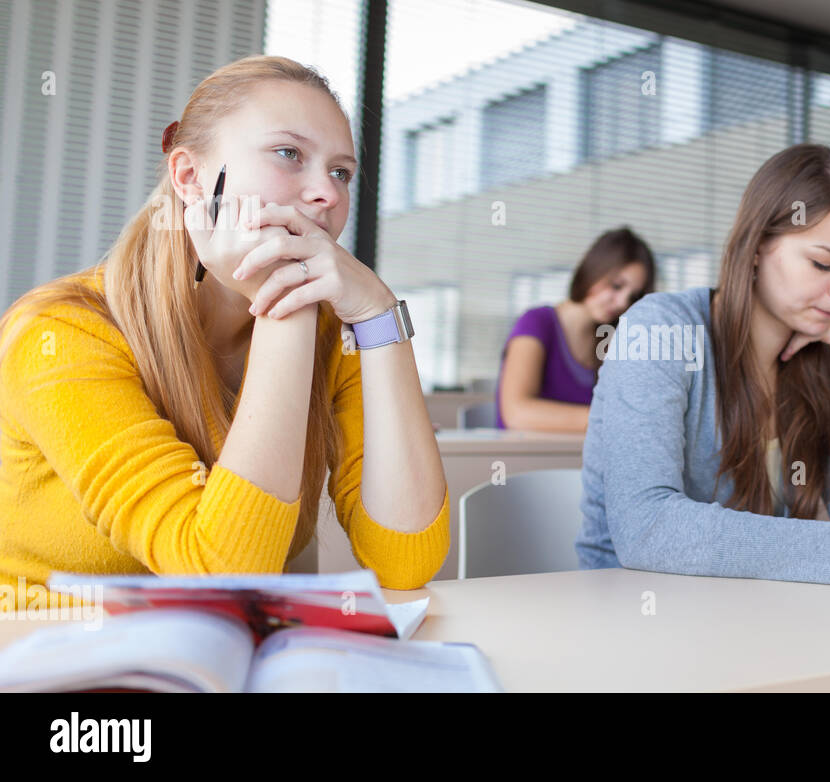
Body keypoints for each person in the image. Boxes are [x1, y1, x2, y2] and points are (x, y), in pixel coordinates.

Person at [0, 56, 450, 608]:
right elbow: (216, 570)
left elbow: (405, 562)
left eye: (341, 172)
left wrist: (380, 315)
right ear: (189, 177)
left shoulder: (334, 333)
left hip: (217, 648)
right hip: (43, 652)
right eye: (289, 154)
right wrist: (283, 294)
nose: (328, 194)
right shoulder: (61, 332)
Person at [576, 144, 830, 585]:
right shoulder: (658, 328)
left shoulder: (823, 358)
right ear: (756, 247)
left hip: (754, 614)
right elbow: (646, 529)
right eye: (824, 263)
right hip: (635, 611)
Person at [495, 227, 654, 432]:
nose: (622, 302)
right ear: (594, 270)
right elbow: (517, 414)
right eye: (616, 286)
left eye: (633, 296)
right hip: (526, 458)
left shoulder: (610, 341)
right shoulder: (536, 322)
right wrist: (613, 419)